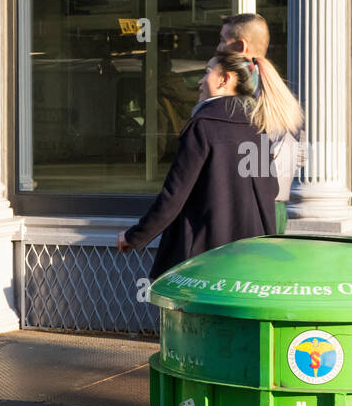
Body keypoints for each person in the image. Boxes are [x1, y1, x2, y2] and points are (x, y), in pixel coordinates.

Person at [117, 54, 278, 280]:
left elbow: (174, 195)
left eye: (207, 71)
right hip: (254, 255)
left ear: (225, 80)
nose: (201, 82)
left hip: (204, 259)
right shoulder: (259, 127)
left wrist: (135, 236)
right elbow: (271, 189)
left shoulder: (203, 126)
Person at [218, 13, 306, 232]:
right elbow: (301, 155)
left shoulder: (238, 96)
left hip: (245, 209)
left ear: (240, 45)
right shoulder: (280, 94)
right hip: (276, 208)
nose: (218, 47)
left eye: (222, 40)